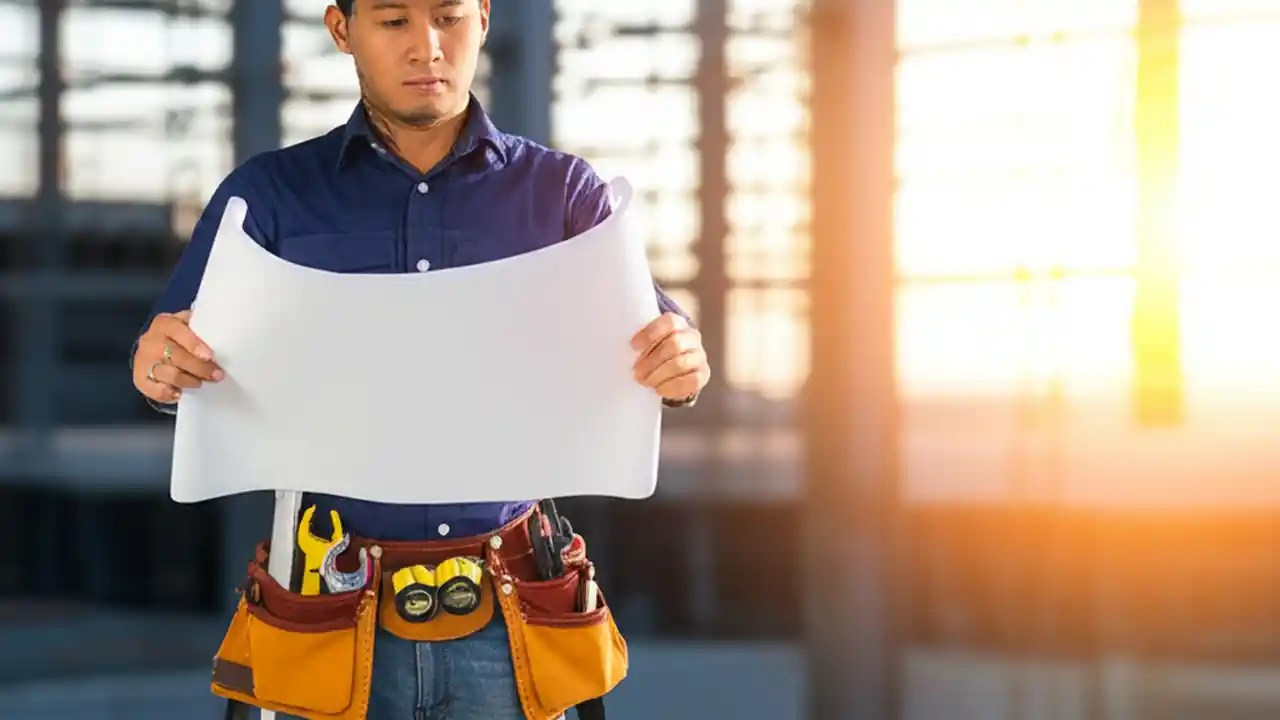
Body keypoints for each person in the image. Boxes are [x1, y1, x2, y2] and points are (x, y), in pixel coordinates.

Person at [128, 1, 711, 718]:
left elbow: (658, 340)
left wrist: (681, 362)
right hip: (328, 605)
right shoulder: (269, 199)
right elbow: (175, 357)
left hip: (510, 612)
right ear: (342, 31)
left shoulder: (563, 196)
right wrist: (158, 367)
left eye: (448, 17)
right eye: (394, 20)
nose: (427, 47)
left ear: (485, 20)